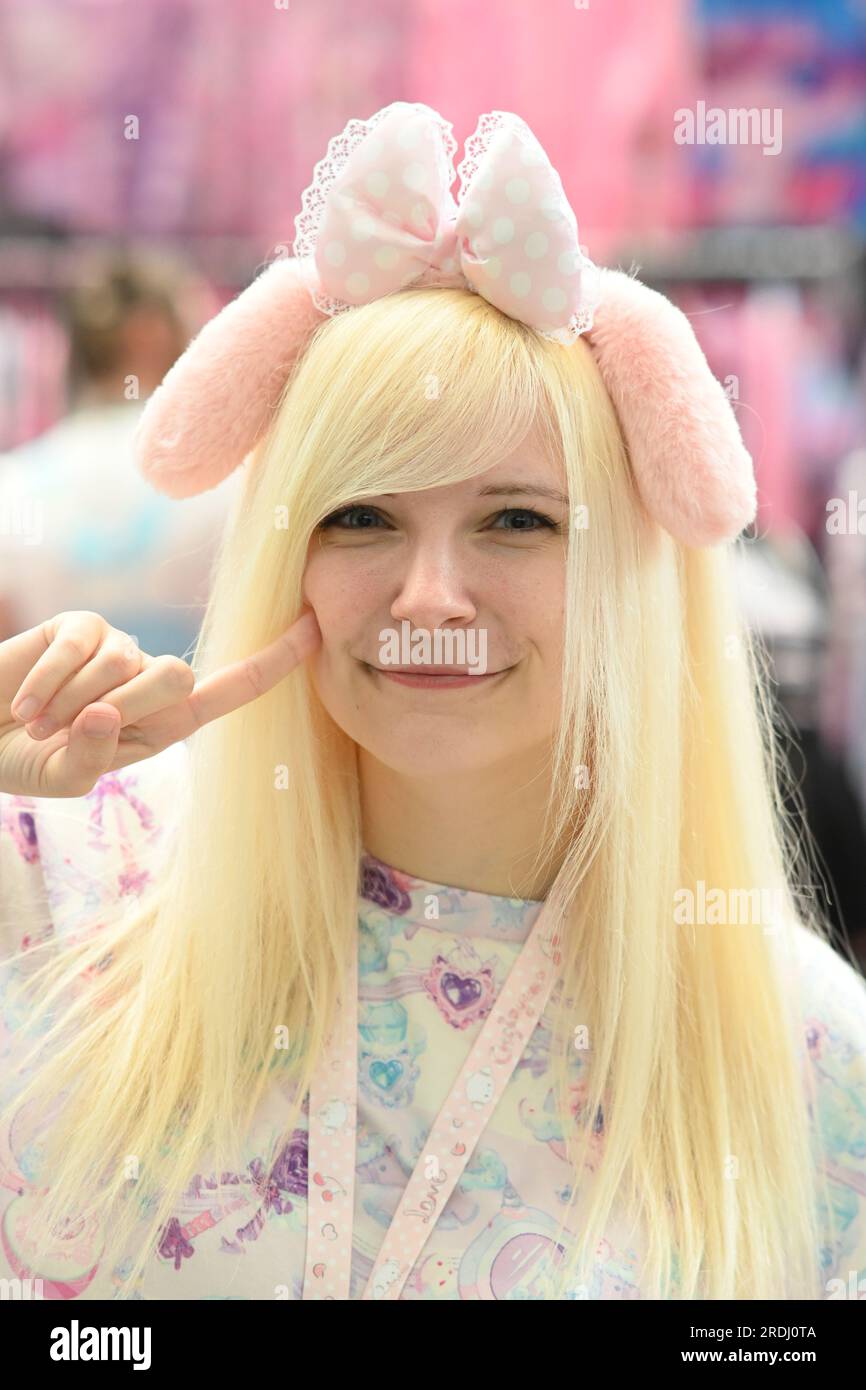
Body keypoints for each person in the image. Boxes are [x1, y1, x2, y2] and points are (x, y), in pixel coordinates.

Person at [0, 102, 864, 1302]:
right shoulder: (58, 885)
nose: (429, 594)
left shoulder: (809, 1069)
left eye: (515, 519)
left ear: (624, 566)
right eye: (361, 516)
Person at [0, 249, 241, 659]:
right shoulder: (235, 477)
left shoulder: (13, 482)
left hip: (49, 719)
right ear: (149, 334)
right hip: (212, 716)